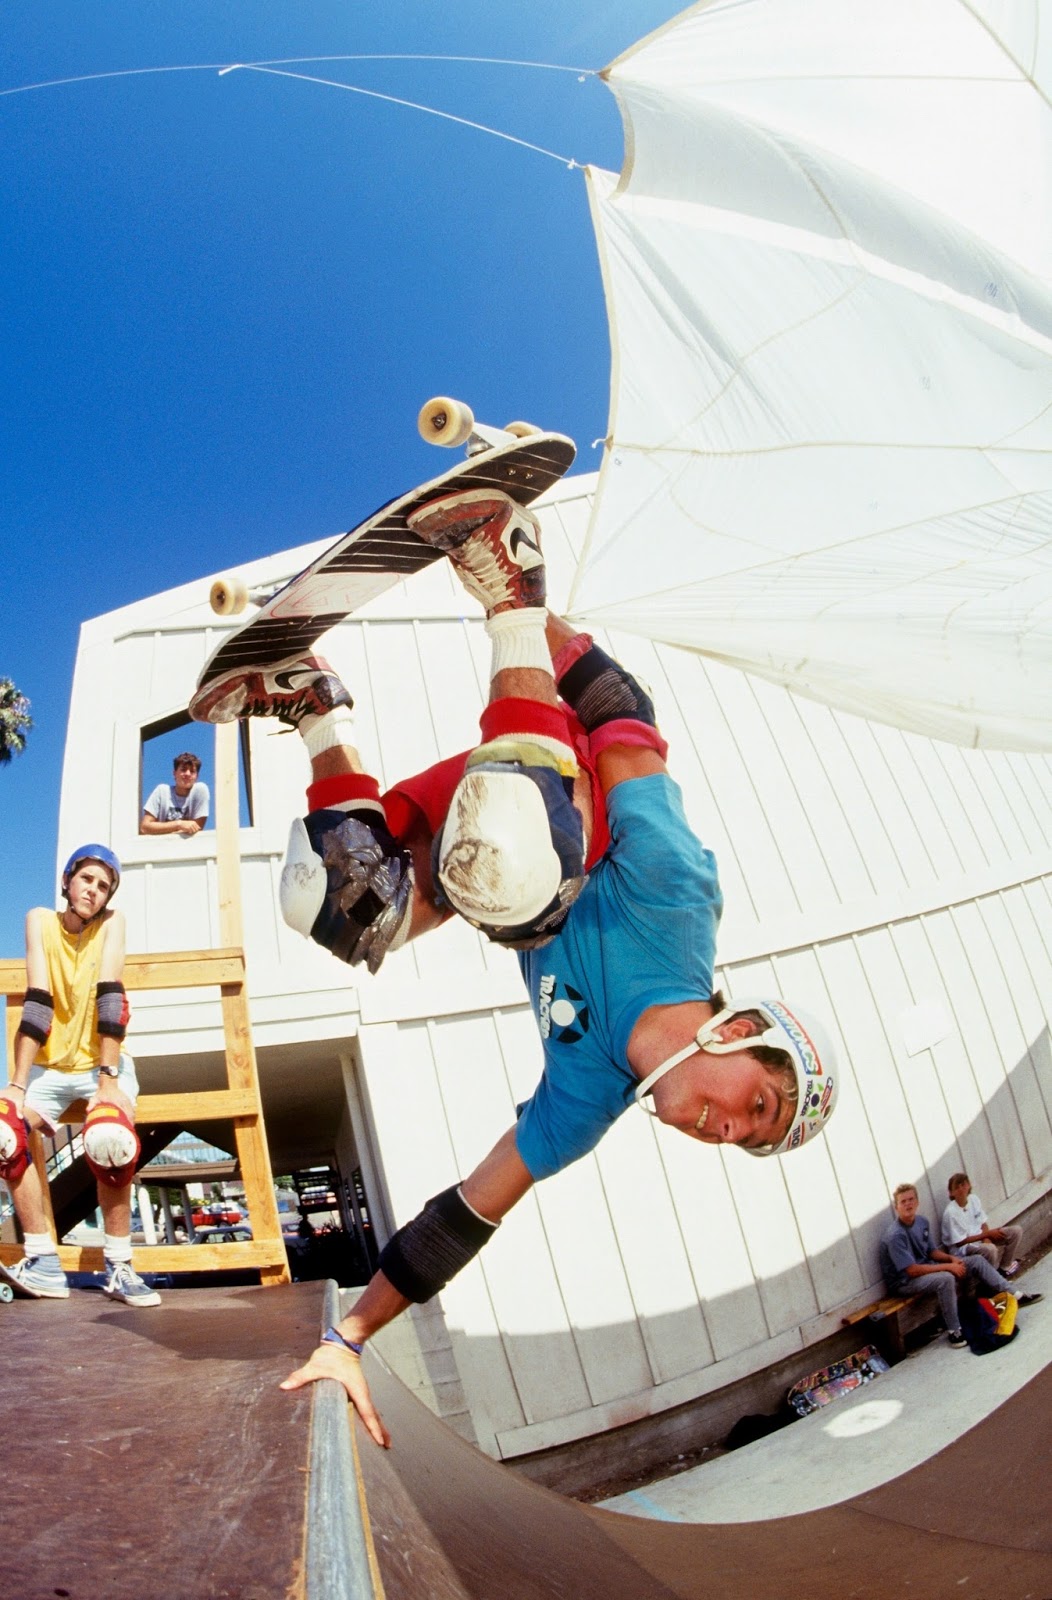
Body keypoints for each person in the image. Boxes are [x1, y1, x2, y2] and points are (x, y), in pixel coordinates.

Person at [191, 485, 840, 1444]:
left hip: (484, 856)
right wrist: (513, 599)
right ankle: (508, 573)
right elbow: (626, 723)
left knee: (347, 914)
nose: (724, 1127)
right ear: (740, 1032)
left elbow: (466, 1213)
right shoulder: (678, 905)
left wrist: (354, 1339)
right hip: (541, 775)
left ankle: (310, 701)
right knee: (518, 885)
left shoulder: (585, 1104)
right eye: (756, 1103)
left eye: (745, 1140)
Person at [0, 845, 161, 1306]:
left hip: (101, 1064)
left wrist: (109, 1078)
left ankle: (120, 1266)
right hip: (54, 1069)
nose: (93, 890)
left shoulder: (112, 924)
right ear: (69, 881)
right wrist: (17, 1082)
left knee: (110, 1137)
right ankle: (42, 1261)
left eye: (103, 886)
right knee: (3, 1132)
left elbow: (111, 997)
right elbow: (38, 1000)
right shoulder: (39, 920)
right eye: (87, 879)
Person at [879, 1183, 1039, 1351]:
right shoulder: (895, 1235)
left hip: (925, 1269)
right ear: (896, 1207)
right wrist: (948, 1267)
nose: (908, 1204)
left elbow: (932, 1251)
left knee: (976, 1260)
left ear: (917, 1202)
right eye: (903, 1201)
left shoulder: (921, 1222)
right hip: (904, 1282)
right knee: (946, 1278)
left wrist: (951, 1259)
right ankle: (954, 1331)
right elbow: (912, 1270)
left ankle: (1016, 1295)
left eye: (911, 1199)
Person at [942, 1172, 1021, 1275]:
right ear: (951, 1193)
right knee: (990, 1249)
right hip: (963, 1248)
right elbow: (959, 1242)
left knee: (1016, 1231)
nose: (961, 1189)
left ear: (969, 1185)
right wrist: (986, 1235)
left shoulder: (973, 1199)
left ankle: (1004, 1268)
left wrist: (986, 1238)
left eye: (963, 1185)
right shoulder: (951, 1212)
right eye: (956, 1188)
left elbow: (983, 1223)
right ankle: (992, 1281)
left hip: (980, 1238)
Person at [140, 751, 209, 835]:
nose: (187, 774)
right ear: (174, 773)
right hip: (160, 845)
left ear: (197, 776)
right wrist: (178, 824)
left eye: (192, 771)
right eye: (183, 770)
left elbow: (196, 829)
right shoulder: (162, 791)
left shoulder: (200, 791)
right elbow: (145, 827)